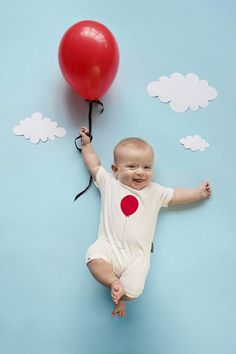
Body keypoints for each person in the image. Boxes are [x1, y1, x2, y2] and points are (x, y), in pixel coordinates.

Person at [79, 127, 211, 318]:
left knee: (133, 292)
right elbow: (94, 164)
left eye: (147, 167)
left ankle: (121, 298)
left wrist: (198, 193)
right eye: (132, 167)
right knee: (93, 256)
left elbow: (176, 195)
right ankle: (112, 281)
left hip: (138, 256)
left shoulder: (155, 192)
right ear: (115, 170)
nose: (140, 172)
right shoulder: (110, 183)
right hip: (109, 245)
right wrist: (87, 144)